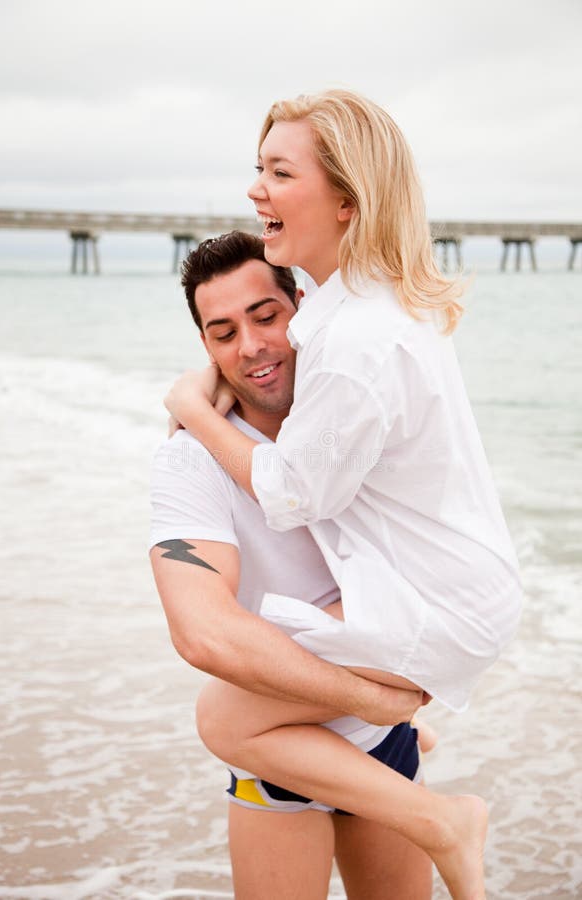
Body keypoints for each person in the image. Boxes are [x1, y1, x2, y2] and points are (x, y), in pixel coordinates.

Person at [164, 90, 523, 900]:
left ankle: (442, 822)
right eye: (258, 170)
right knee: (263, 715)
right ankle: (402, 738)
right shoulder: (353, 306)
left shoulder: (355, 340)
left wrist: (192, 407)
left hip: (432, 596)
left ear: (348, 200)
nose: (257, 191)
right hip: (452, 581)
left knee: (226, 720)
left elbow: (290, 494)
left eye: (280, 173)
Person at [150, 230, 434, 900]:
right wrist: (373, 696)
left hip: (384, 742)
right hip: (276, 750)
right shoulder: (188, 460)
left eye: (266, 317)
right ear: (207, 349)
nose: (250, 347)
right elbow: (202, 631)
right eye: (222, 333)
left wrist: (385, 712)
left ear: (301, 306)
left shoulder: (357, 414)